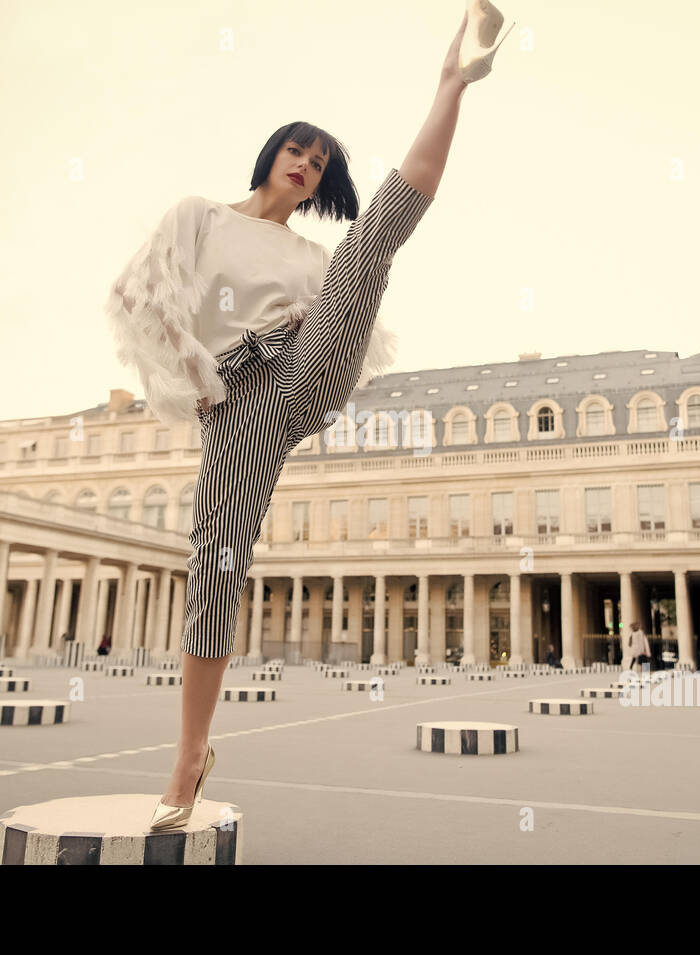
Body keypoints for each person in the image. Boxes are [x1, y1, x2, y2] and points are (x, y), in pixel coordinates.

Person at [111, 5, 515, 832]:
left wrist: (300, 327)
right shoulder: (200, 216)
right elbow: (139, 301)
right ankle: (191, 754)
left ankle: (453, 83)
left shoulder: (312, 259)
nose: (306, 163)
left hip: (304, 375)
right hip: (236, 404)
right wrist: (197, 380)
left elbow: (340, 307)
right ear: (272, 154)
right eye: (298, 149)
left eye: (321, 160)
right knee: (216, 559)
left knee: (371, 248)